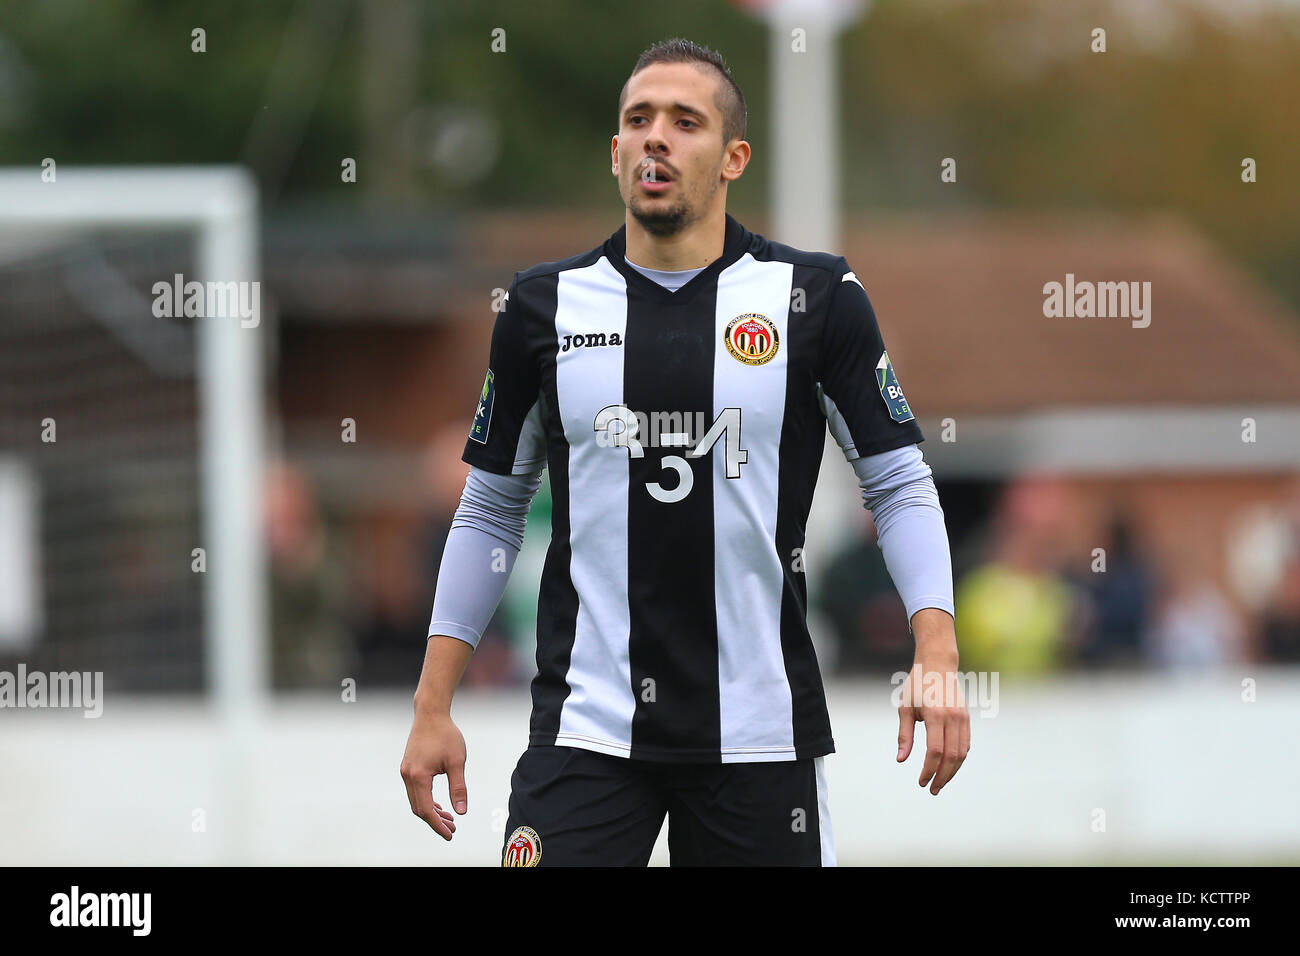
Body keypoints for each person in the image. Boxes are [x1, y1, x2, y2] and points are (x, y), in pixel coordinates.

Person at [400, 38, 966, 867]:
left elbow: (901, 484)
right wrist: (431, 702)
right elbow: (490, 506)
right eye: (639, 120)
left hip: (760, 735)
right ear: (617, 152)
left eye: (684, 121)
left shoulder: (815, 301)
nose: (656, 136)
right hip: (587, 727)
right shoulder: (541, 308)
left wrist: (937, 654)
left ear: (733, 157)